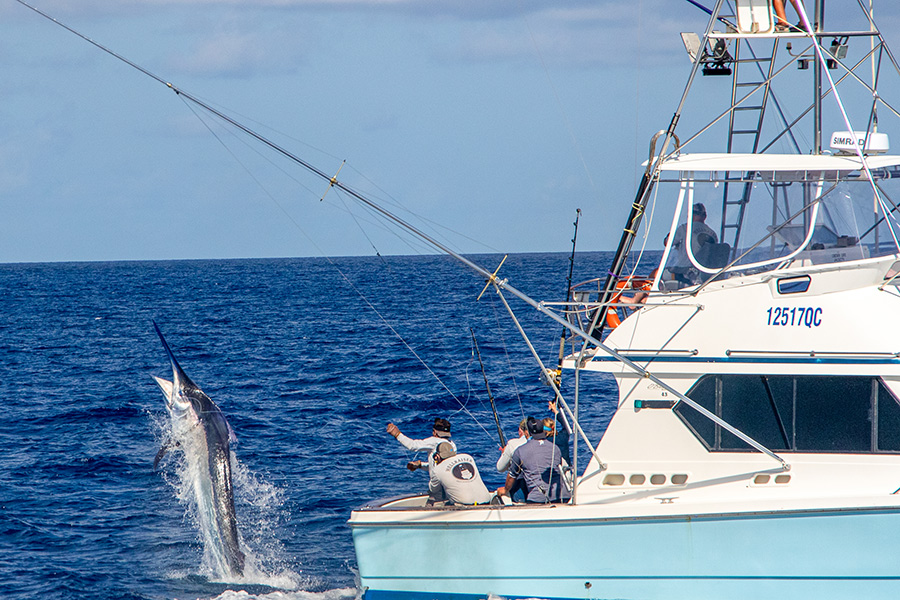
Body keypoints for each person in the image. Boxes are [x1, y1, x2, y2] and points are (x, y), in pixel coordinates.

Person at [497, 417, 571, 504]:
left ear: (527, 433)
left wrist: (505, 490)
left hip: (538, 499)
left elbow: (511, 476)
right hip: (564, 496)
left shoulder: (520, 451)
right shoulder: (555, 448)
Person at [666, 203, 718, 286]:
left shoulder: (684, 228)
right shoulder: (713, 234)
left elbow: (667, 243)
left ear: (690, 215)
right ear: (705, 216)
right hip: (704, 275)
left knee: (656, 273)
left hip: (684, 273)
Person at [428, 442, 492, 506]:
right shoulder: (468, 457)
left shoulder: (437, 469)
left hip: (464, 506)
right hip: (486, 501)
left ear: (438, 456)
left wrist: (436, 464)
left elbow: (433, 489)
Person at [387, 417, 456, 475]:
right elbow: (439, 465)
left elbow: (412, 446)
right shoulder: (452, 445)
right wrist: (420, 465)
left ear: (434, 432)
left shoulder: (434, 441)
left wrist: (397, 434)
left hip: (438, 485)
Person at [496, 418, 529, 502]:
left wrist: (505, 454)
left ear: (520, 430)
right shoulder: (541, 442)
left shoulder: (512, 444)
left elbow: (500, 467)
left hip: (520, 488)